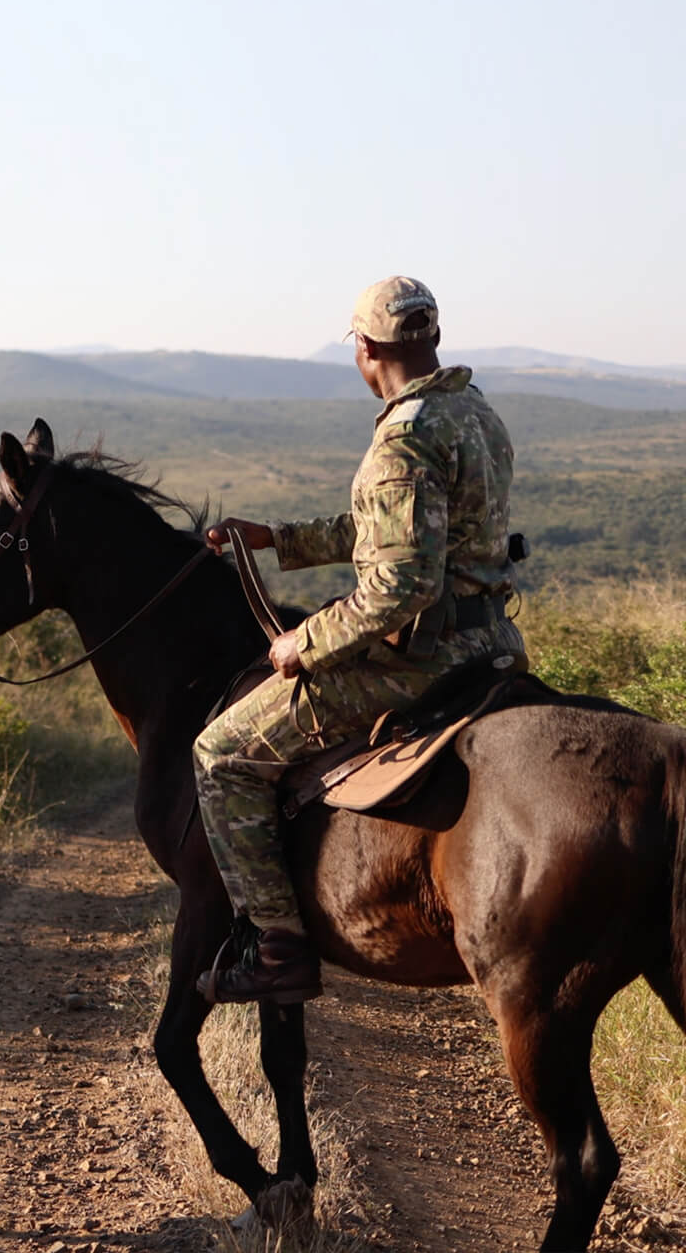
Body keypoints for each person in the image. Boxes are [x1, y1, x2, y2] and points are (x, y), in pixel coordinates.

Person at [193, 277, 526, 1004]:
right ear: (431, 338)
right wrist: (275, 540)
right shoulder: (473, 412)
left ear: (366, 350)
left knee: (219, 755)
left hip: (420, 661)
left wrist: (300, 646)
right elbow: (398, 528)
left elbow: (398, 589)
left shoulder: (403, 436)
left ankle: (277, 947)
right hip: (493, 643)